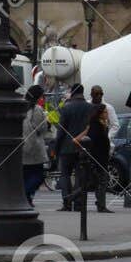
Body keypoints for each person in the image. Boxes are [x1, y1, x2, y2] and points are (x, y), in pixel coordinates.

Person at [76, 85, 113, 213]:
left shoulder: (102, 123)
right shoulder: (97, 126)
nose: (98, 96)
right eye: (96, 94)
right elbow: (96, 141)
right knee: (99, 181)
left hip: (99, 156)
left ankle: (73, 198)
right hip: (98, 157)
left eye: (100, 94)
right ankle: (100, 205)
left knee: (93, 182)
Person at [56, 82, 92, 211]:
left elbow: (61, 131)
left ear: (72, 92)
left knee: (65, 174)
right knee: (80, 175)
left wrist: (56, 147)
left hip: (66, 147)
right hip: (84, 146)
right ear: (82, 92)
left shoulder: (66, 108)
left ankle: (66, 203)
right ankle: (79, 203)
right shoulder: (90, 108)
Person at [21, 89, 52, 204]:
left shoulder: (21, 106)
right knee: (39, 175)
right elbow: (42, 128)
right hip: (34, 146)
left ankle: (27, 198)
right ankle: (26, 193)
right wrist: (47, 123)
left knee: (25, 175)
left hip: (21, 145)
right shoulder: (37, 109)